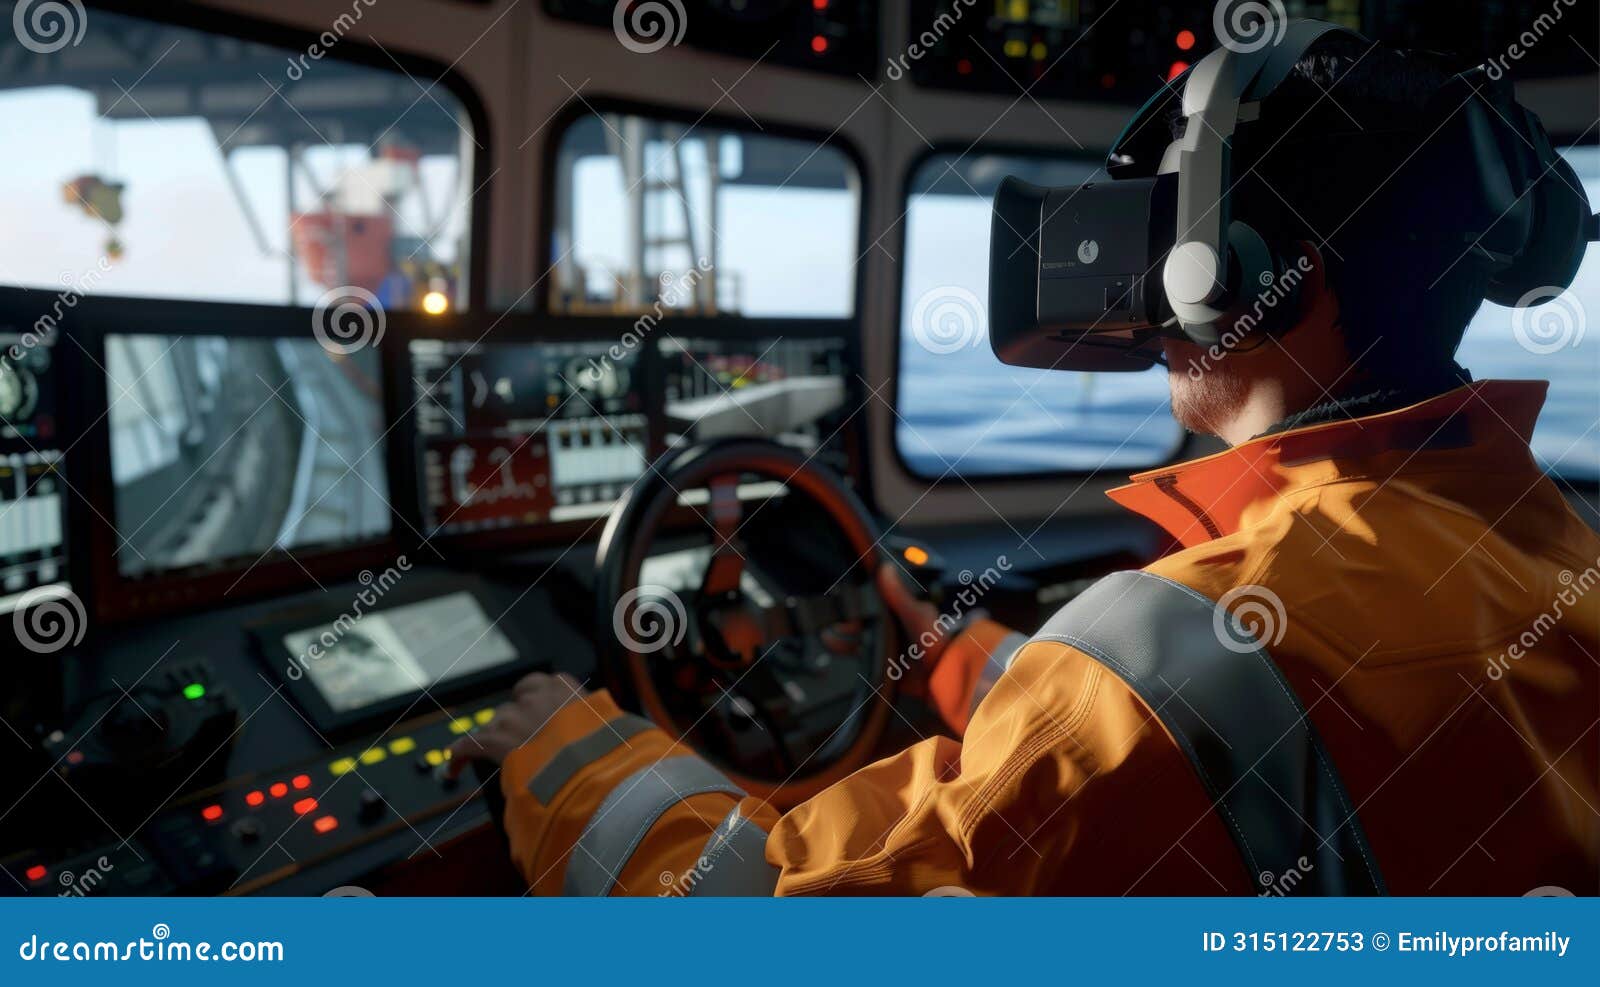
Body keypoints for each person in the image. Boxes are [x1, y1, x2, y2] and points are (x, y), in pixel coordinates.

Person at [449, 32, 1599, 895]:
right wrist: (947, 656)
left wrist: (569, 759)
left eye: (1158, 221)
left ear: (1230, 266)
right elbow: (1197, 737)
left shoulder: (1164, 660)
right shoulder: (1548, 555)